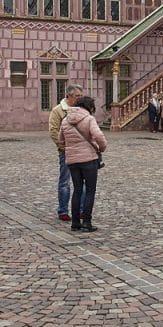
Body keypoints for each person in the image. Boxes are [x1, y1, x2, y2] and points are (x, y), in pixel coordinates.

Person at [59, 95, 108, 232]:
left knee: (77, 190)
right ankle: (86, 222)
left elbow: (60, 140)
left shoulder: (65, 120)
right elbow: (99, 136)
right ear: (89, 107)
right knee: (90, 191)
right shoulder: (89, 119)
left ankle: (75, 222)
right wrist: (102, 148)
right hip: (88, 160)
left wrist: (70, 147)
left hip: (72, 160)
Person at [49, 84, 83, 221]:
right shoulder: (58, 111)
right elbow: (53, 131)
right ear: (69, 96)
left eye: (81, 96)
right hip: (66, 151)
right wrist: (63, 147)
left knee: (82, 183)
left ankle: (81, 209)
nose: (79, 98)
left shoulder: (82, 110)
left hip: (81, 151)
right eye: (77, 96)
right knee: (65, 182)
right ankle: (63, 210)